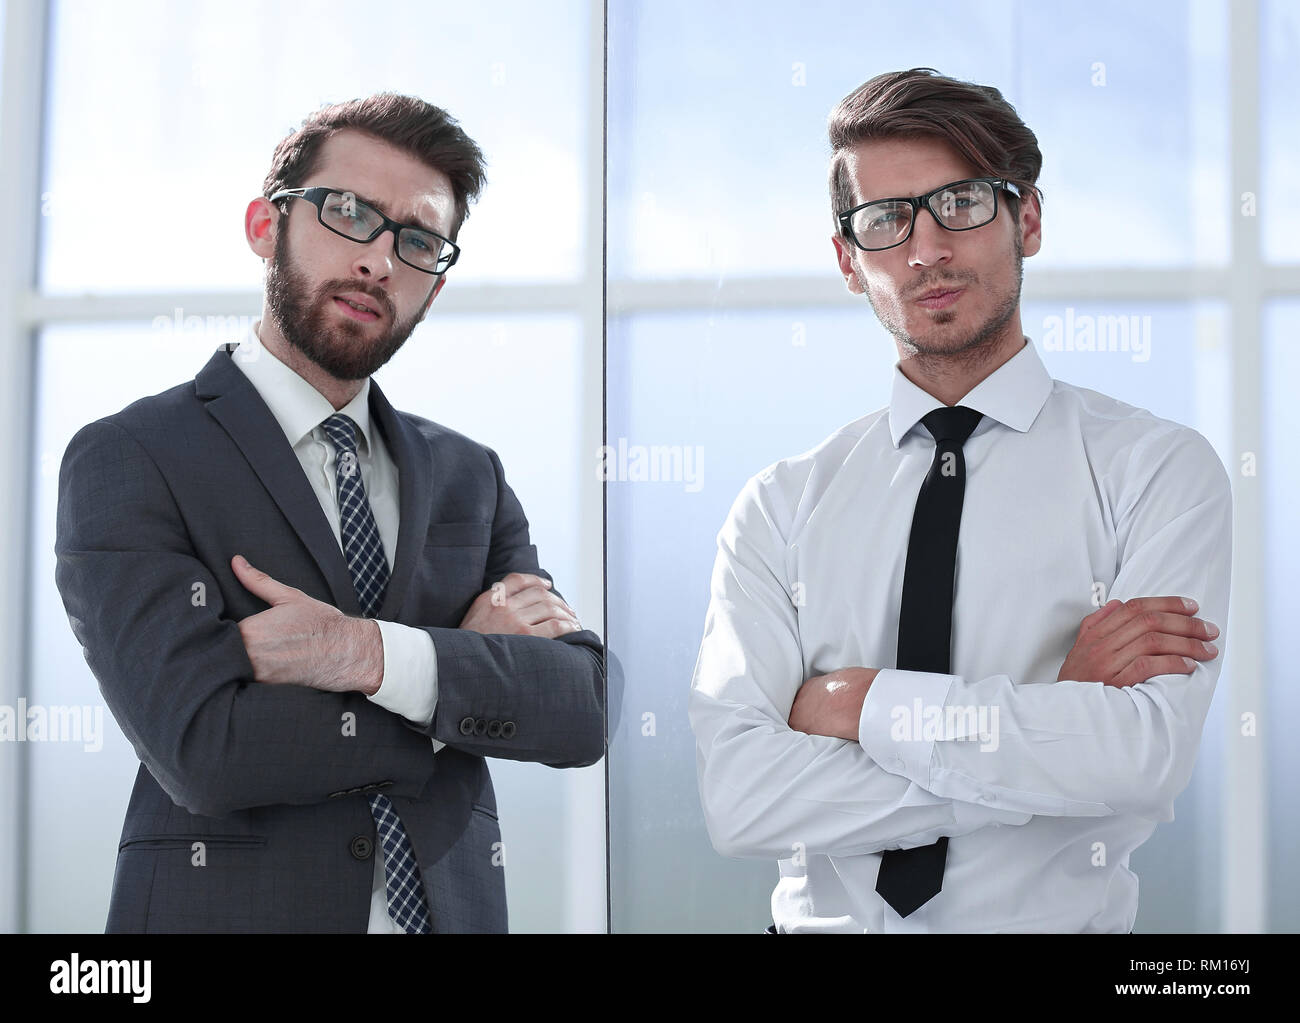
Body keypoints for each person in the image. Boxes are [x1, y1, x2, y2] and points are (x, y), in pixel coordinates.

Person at [688, 68, 1231, 933]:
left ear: (1031, 219)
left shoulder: (1158, 469)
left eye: (963, 202)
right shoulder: (780, 506)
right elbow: (744, 801)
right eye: (885, 219)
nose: (926, 249)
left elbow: (1139, 758)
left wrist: (859, 705)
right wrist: (1046, 727)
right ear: (847, 260)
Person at [54, 93, 605, 933]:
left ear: (437, 282)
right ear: (263, 227)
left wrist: (360, 652)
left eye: (416, 240)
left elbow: (580, 708)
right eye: (348, 213)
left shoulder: (469, 477)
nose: (380, 261)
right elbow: (202, 749)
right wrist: (448, 689)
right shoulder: (134, 456)